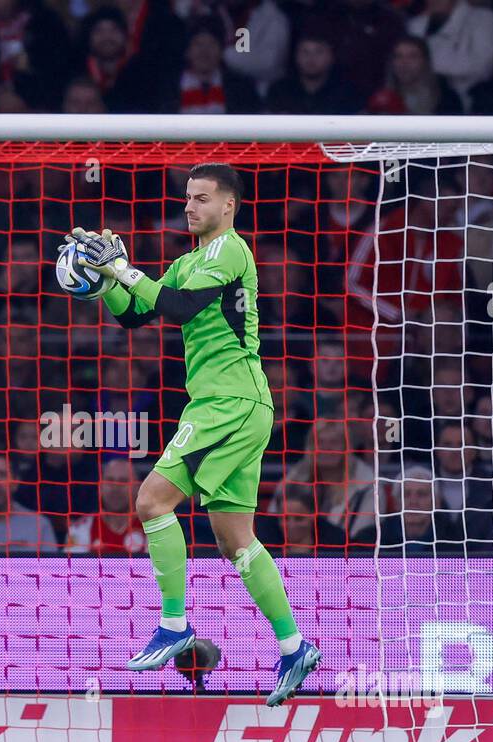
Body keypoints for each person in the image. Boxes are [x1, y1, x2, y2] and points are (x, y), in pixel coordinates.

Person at [68, 162, 320, 706]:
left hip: (226, 403)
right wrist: (106, 281)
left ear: (227, 205)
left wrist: (124, 268)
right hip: (240, 406)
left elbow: (178, 307)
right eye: (187, 198)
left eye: (202, 198)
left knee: (152, 501)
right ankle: (294, 645)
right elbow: (138, 314)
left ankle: (175, 624)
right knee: (235, 539)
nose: (191, 207)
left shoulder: (230, 250)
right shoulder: (188, 261)